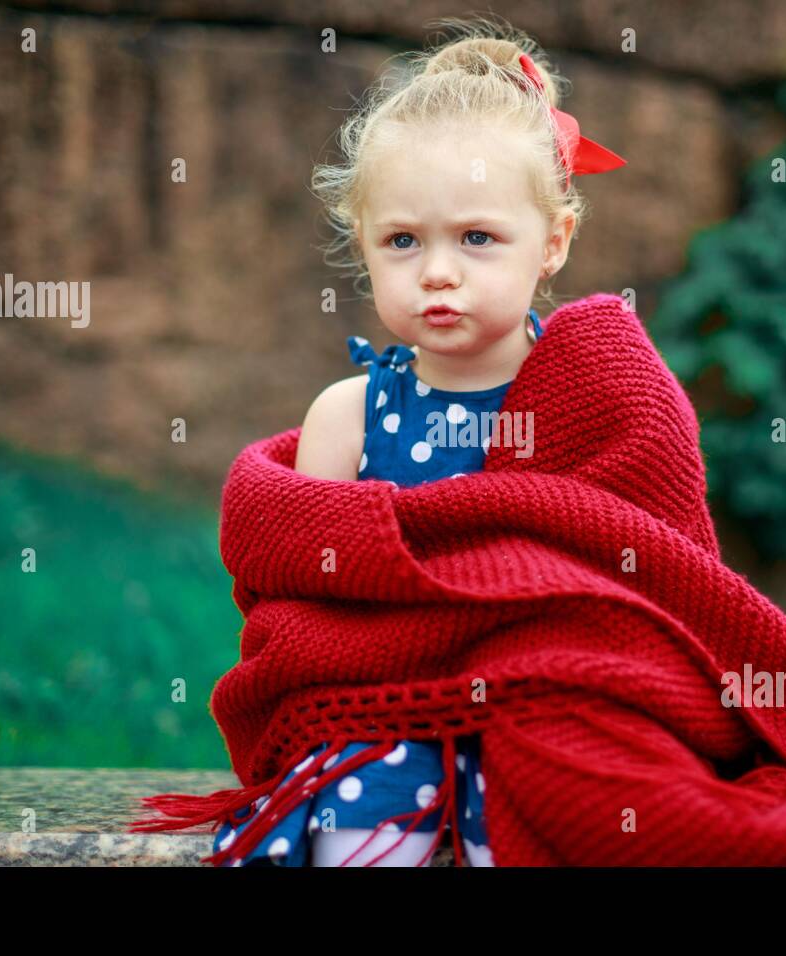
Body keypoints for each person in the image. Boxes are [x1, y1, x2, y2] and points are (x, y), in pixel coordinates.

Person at [211, 15, 625, 867]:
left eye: (477, 238)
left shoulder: (588, 393)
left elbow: (639, 572)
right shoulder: (352, 416)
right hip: (384, 698)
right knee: (362, 794)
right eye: (403, 241)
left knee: (557, 790)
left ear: (553, 243)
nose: (439, 270)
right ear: (364, 252)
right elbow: (297, 601)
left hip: (539, 695)